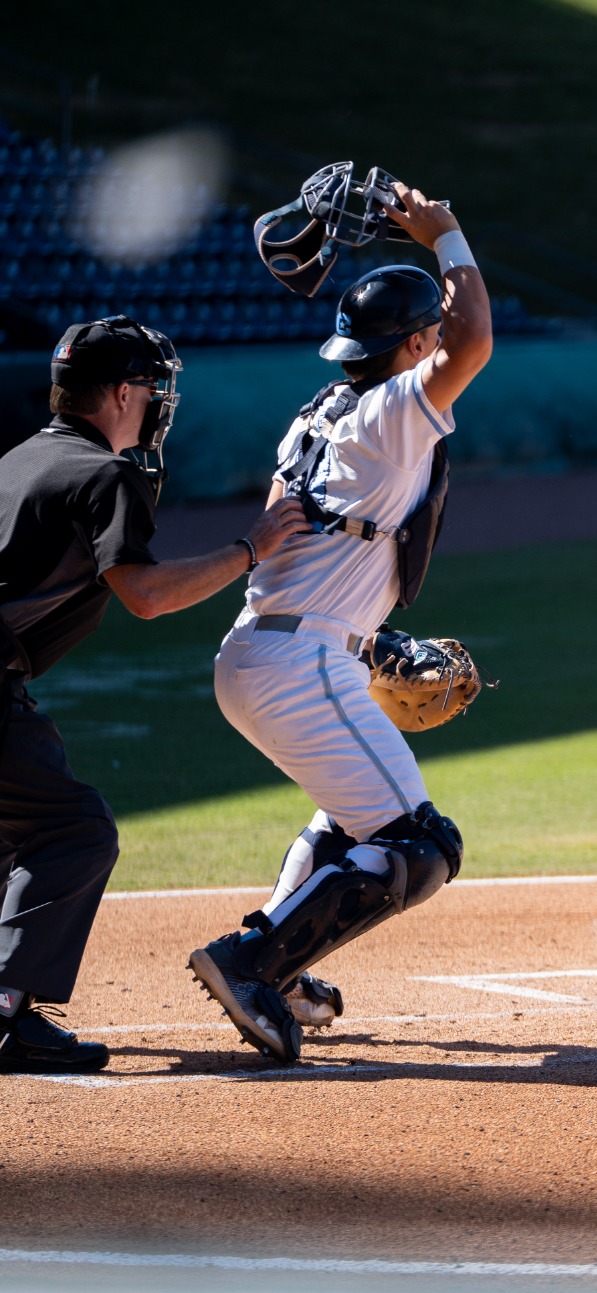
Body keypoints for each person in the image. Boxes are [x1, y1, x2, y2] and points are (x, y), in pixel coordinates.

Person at [187, 181, 492, 1063]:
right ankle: (252, 962)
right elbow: (476, 337)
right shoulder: (393, 412)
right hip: (298, 661)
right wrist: (448, 235)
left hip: (266, 648)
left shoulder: (314, 415)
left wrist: (367, 641)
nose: (440, 343)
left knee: (351, 821)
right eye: (427, 334)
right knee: (421, 845)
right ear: (411, 344)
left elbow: (299, 540)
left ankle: (275, 968)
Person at [0, 317, 309, 1073]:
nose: (156, 405)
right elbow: (143, 594)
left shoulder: (16, 459)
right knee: (74, 831)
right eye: (149, 389)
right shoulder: (107, 476)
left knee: (13, 833)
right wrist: (250, 549)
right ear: (120, 393)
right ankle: (4, 1010)